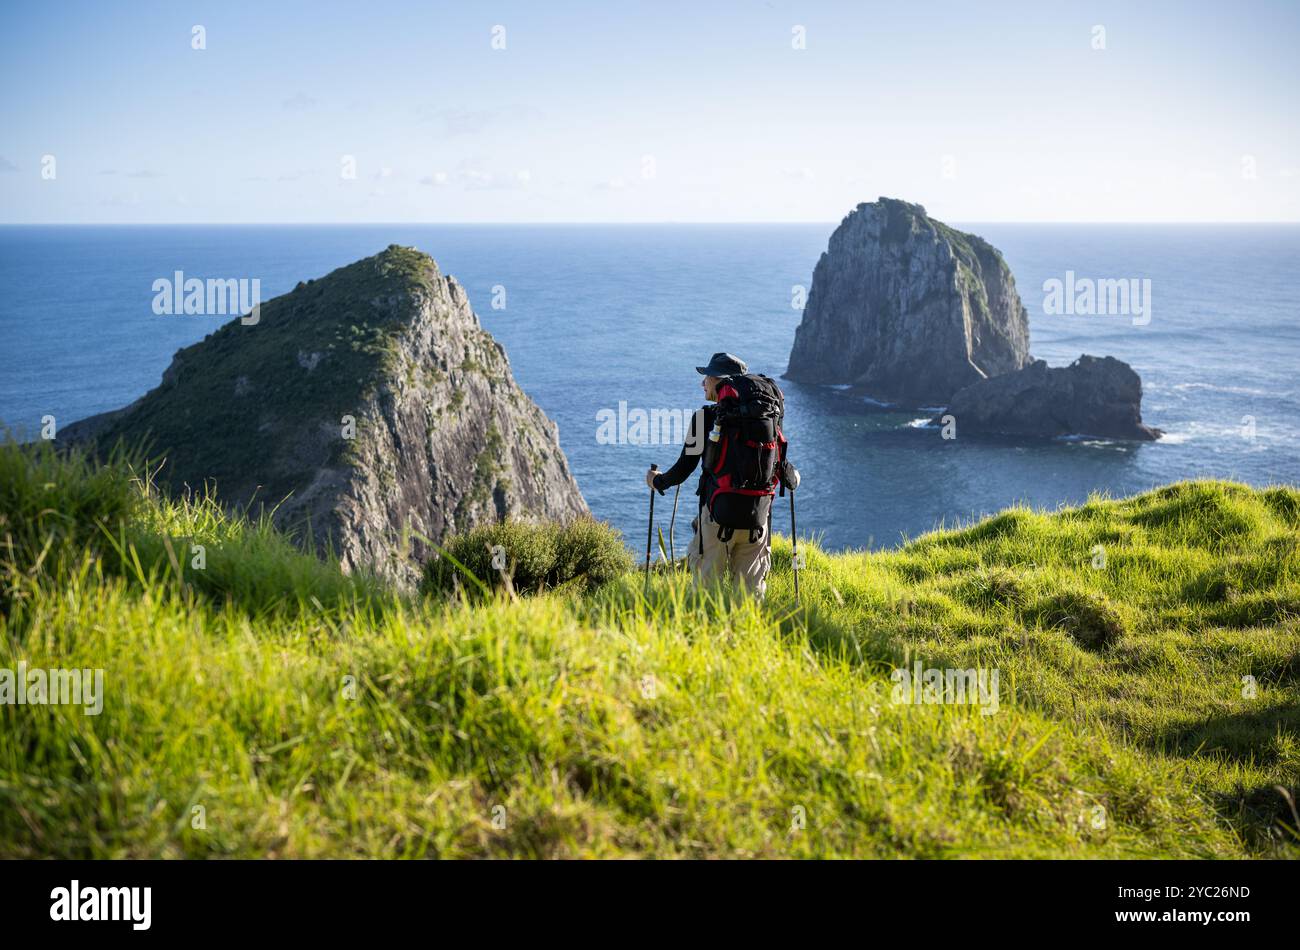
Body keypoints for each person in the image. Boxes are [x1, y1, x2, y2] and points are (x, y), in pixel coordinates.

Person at [646, 352, 799, 598]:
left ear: (718, 380)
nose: (702, 383)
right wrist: (794, 479)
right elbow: (781, 462)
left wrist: (657, 480)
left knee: (706, 596)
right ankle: (747, 636)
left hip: (718, 519)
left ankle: (707, 635)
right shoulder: (767, 415)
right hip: (757, 520)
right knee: (749, 599)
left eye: (706, 377)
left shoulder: (704, 418)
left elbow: (684, 468)